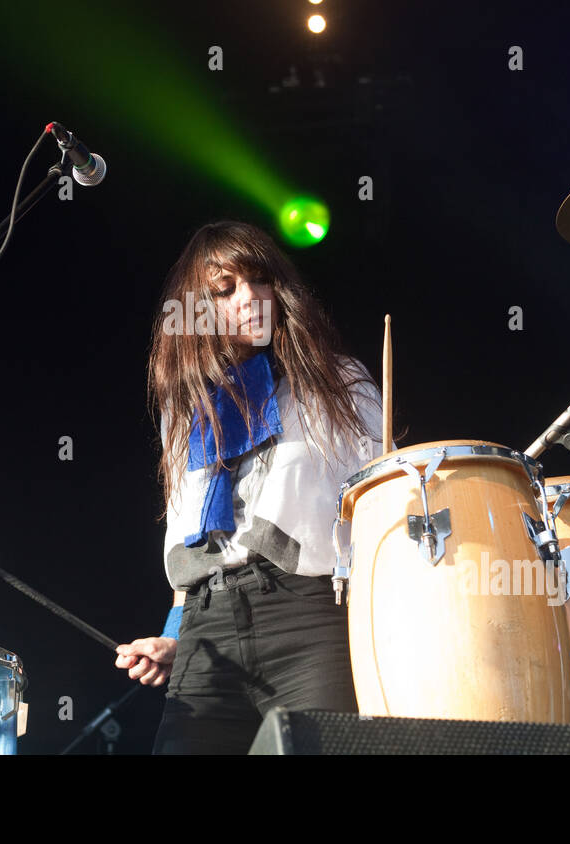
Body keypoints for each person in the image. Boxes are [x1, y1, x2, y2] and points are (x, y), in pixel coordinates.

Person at [114, 220, 384, 754]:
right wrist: (173, 635)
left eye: (260, 279)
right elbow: (192, 537)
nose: (250, 296)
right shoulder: (186, 410)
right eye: (224, 289)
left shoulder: (338, 382)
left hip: (307, 619)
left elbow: (382, 504)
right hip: (205, 627)